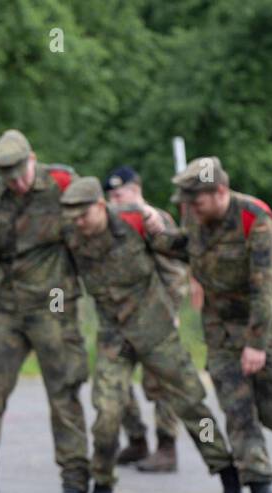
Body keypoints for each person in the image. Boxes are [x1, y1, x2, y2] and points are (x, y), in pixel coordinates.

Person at [59, 177, 241, 493]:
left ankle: (228, 476)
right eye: (72, 218)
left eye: (83, 215)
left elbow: (184, 252)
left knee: (191, 404)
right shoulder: (71, 233)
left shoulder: (134, 220)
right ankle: (102, 485)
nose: (78, 223)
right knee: (107, 411)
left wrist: (163, 228)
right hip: (114, 334)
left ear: (100, 207)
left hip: (155, 329)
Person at [145, 157, 272, 493]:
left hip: (265, 328)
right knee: (237, 411)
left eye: (197, 202)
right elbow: (185, 247)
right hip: (220, 332)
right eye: (186, 204)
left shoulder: (255, 218)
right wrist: (154, 234)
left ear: (220, 191)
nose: (191, 210)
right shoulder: (196, 218)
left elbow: (265, 286)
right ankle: (262, 492)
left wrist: (257, 343)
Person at [0, 129, 90, 493]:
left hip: (54, 304)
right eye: (9, 177)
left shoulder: (62, 184)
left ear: (32, 159)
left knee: (63, 392)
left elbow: (88, 232)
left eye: (21, 173)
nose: (18, 183)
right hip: (11, 305)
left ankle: (76, 483)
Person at [103, 165, 185, 473]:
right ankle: (137, 440)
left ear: (136, 190)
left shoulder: (154, 220)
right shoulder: (112, 224)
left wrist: (170, 314)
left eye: (119, 193)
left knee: (162, 384)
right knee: (115, 383)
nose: (115, 199)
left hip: (154, 319)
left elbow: (175, 273)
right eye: (110, 195)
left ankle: (167, 448)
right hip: (121, 319)